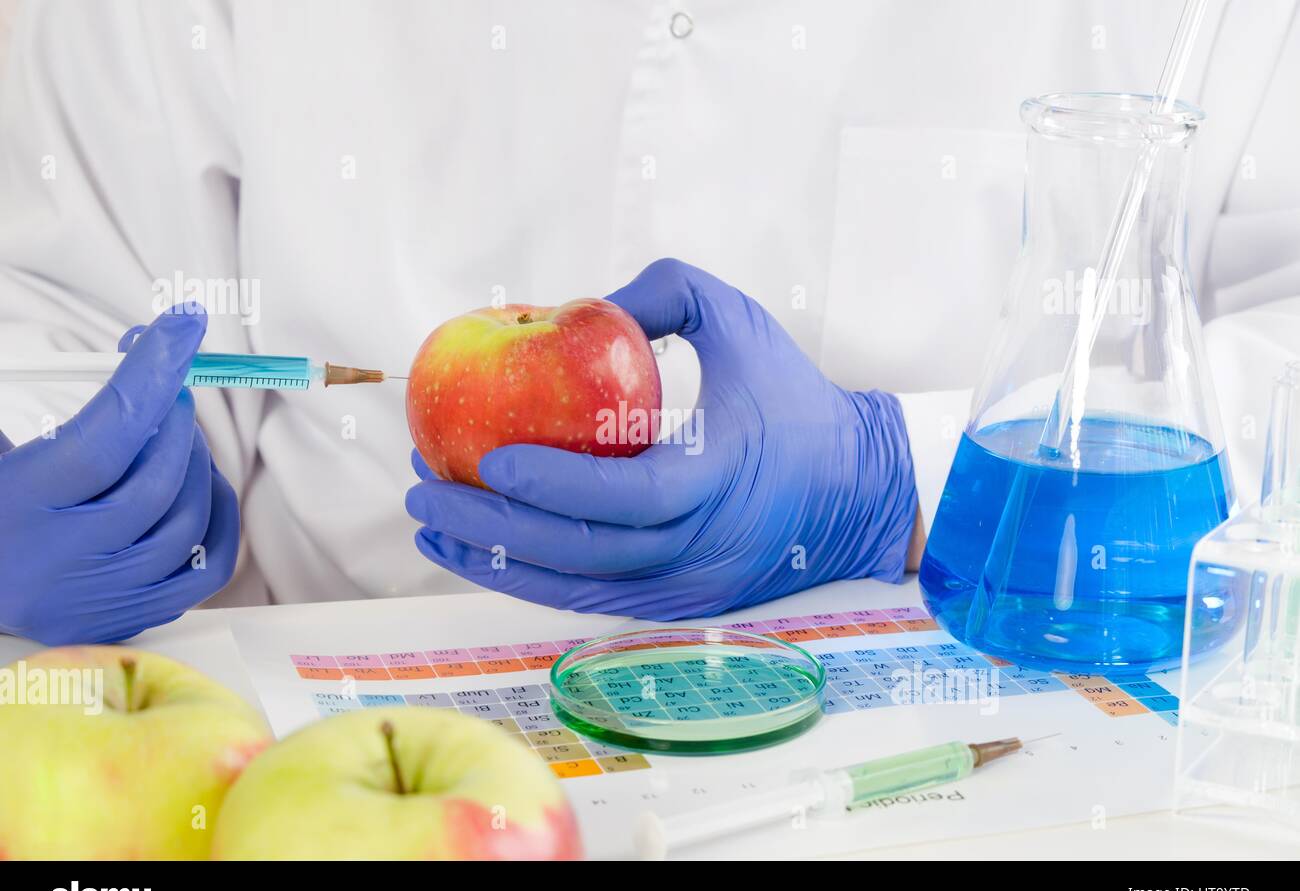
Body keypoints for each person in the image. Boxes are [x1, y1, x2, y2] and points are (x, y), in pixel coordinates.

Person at [1, 0, 1297, 645]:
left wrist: (911, 477)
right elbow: (50, 282)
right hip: (328, 747)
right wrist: (54, 466)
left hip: (984, 760)